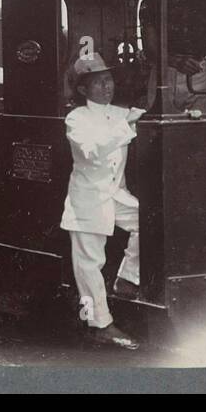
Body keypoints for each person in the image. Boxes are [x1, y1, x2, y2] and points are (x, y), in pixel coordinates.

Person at [60, 53, 142, 350]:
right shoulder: (76, 119)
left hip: (116, 196)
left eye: (109, 81)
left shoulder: (120, 113)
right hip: (88, 201)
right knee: (88, 266)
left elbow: (146, 113)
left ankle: (127, 279)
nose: (107, 87)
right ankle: (100, 326)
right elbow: (90, 152)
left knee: (150, 222)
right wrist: (125, 126)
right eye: (99, 82)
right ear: (83, 90)